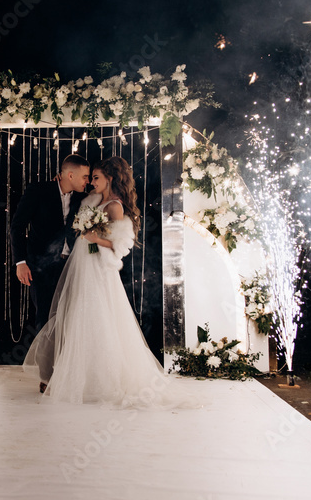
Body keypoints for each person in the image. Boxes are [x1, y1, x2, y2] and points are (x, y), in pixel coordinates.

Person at [22, 156, 201, 408]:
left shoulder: (114, 206)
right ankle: (69, 375)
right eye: (89, 177)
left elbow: (123, 243)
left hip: (97, 266)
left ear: (110, 179)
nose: (91, 182)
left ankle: (100, 380)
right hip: (80, 263)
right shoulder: (91, 200)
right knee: (75, 317)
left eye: (95, 178)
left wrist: (97, 239)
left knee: (98, 316)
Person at [10, 154, 90, 390]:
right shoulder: (38, 190)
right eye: (84, 176)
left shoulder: (84, 198)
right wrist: (20, 262)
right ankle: (47, 377)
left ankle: (67, 373)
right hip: (40, 266)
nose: (87, 180)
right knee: (46, 318)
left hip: (72, 265)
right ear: (70, 175)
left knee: (71, 318)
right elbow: (17, 226)